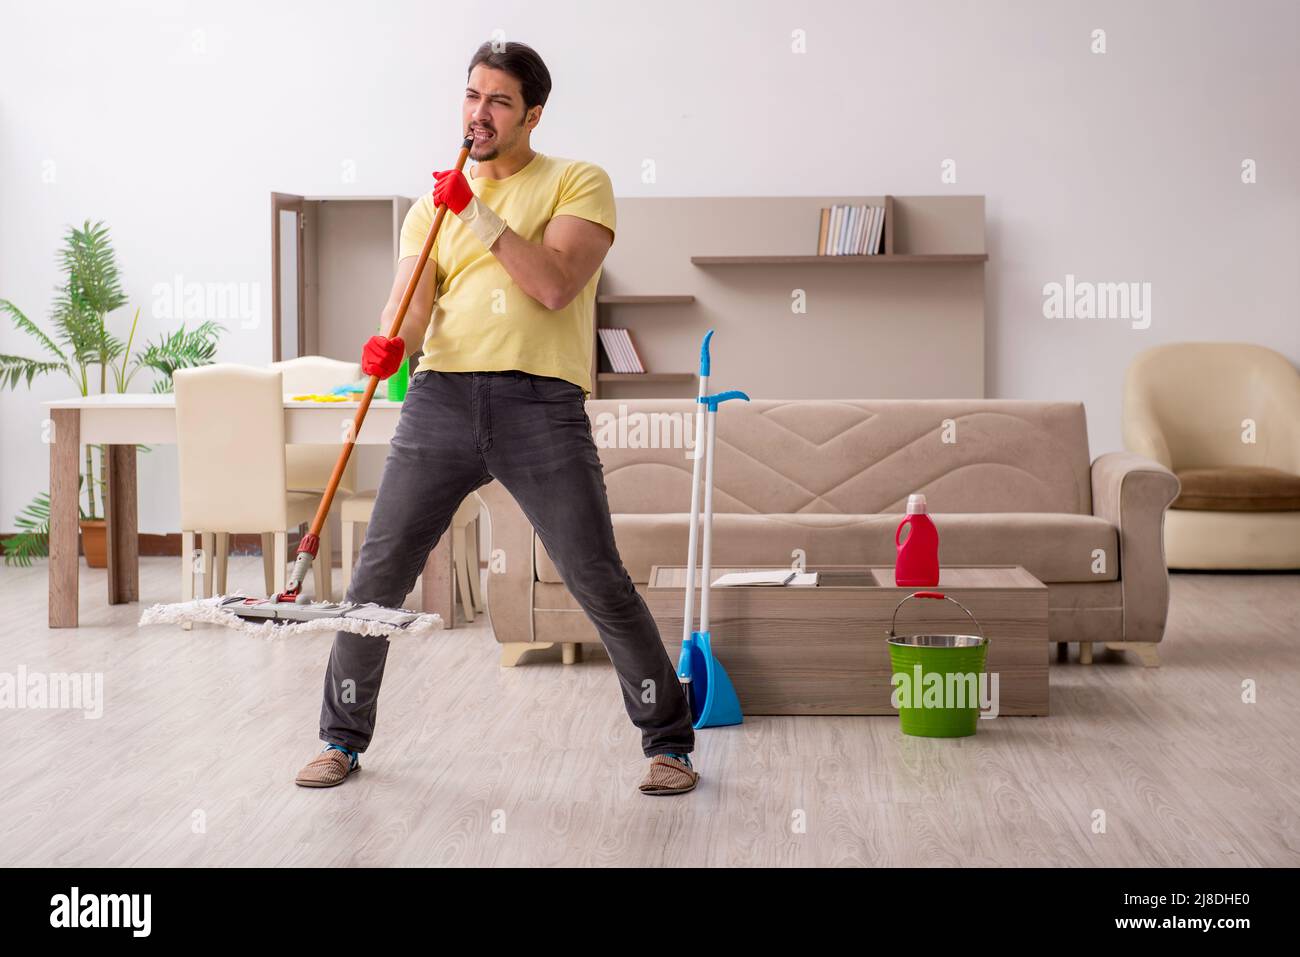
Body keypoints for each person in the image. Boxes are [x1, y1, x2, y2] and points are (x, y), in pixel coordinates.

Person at [294, 41, 698, 796]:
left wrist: (475, 213)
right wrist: (389, 344)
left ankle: (669, 740)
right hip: (441, 399)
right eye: (472, 96)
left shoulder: (576, 181)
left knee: (595, 575)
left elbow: (553, 285)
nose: (479, 113)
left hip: (539, 402)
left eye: (500, 101)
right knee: (377, 577)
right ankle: (339, 739)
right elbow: (412, 307)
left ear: (533, 114)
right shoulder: (430, 208)